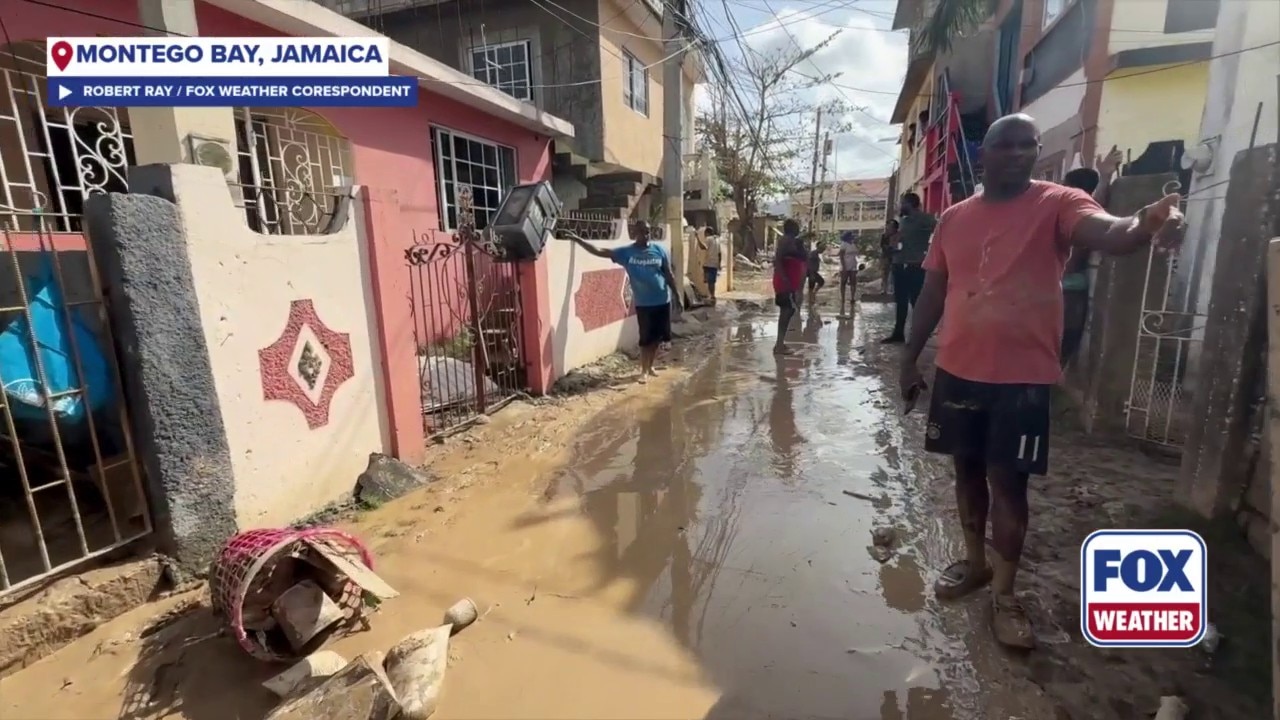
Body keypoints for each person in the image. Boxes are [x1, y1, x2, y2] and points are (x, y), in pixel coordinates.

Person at [898, 114, 1186, 650]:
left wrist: (1146, 222)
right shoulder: (953, 219)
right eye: (1004, 145)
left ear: (1035, 153)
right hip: (958, 369)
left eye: (1026, 146)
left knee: (1009, 486)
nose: (1017, 154)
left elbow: (1110, 231)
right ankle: (976, 563)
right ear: (984, 154)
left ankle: (1005, 596)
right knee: (966, 473)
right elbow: (934, 292)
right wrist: (909, 358)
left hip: (1021, 379)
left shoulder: (1059, 203)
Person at [572, 220, 679, 381]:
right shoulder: (626, 253)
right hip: (644, 303)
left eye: (648, 231)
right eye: (642, 231)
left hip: (662, 301)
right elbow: (600, 251)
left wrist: (677, 295)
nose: (646, 235)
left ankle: (650, 366)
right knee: (645, 338)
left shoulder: (659, 250)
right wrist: (579, 240)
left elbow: (668, 274)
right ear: (635, 233)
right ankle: (643, 371)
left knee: (657, 338)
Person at [1060, 147, 1124, 367]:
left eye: (1065, 187)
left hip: (1065, 295)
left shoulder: (1076, 218)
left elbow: (1093, 208)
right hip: (1070, 295)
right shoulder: (1066, 218)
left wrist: (1105, 178)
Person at [882, 193, 935, 343]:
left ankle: (918, 333)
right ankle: (898, 333)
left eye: (902, 203)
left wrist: (928, 252)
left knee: (916, 301)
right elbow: (903, 241)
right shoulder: (903, 221)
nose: (900, 206)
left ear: (909, 203)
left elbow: (939, 231)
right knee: (901, 301)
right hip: (899, 264)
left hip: (915, 265)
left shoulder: (926, 219)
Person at [772, 218, 807, 355]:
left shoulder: (792, 240)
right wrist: (784, 278)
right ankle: (779, 345)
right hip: (784, 282)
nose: (799, 228)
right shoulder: (786, 240)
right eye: (797, 226)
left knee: (788, 310)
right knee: (787, 310)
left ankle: (780, 344)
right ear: (792, 228)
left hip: (789, 281)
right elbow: (778, 260)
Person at [838, 230, 860, 317]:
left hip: (853, 265)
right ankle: (843, 298)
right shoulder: (844, 244)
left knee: (853, 282)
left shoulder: (853, 244)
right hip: (846, 265)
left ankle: (852, 297)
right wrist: (844, 267)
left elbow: (857, 254)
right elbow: (841, 256)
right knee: (843, 282)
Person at [700, 231, 722, 305]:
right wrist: (719, 264)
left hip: (708, 263)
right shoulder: (717, 240)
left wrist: (697, 238)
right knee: (712, 281)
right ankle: (712, 296)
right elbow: (719, 254)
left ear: (707, 233)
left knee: (709, 282)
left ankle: (712, 296)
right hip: (714, 264)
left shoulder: (708, 238)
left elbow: (703, 247)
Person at [806, 240, 827, 306]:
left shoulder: (815, 254)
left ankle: (811, 299)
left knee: (812, 285)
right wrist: (811, 273)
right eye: (822, 249)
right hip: (811, 271)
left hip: (812, 271)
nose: (823, 251)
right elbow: (809, 263)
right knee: (820, 282)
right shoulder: (813, 254)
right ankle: (811, 298)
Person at [880, 219, 898, 295]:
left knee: (894, 273)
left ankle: (893, 289)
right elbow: (882, 245)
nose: (889, 228)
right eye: (888, 226)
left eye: (891, 226)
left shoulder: (897, 236)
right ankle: (884, 289)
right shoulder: (884, 236)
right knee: (885, 273)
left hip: (895, 256)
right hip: (886, 256)